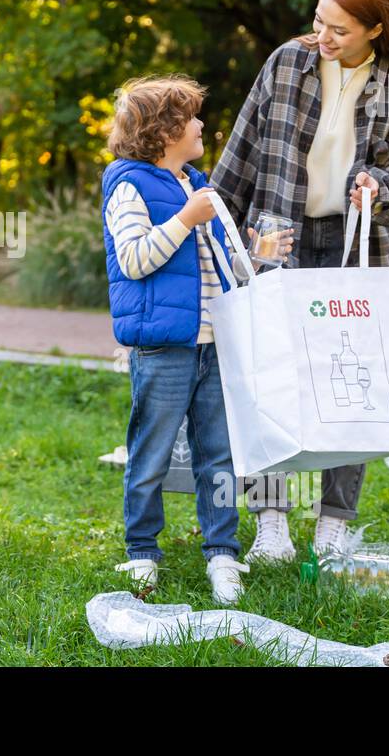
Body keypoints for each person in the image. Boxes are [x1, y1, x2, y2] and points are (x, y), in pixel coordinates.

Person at [209, 0, 389, 561]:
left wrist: (378, 187)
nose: (324, 37)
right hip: (276, 236)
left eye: (339, 29)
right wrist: (212, 227)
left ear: (374, 29)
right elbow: (242, 149)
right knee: (270, 371)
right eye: (319, 21)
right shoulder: (287, 63)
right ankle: (271, 523)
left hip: (355, 247)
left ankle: (334, 523)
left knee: (351, 380)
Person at [102, 74, 292, 604]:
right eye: (191, 118)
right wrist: (186, 219)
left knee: (219, 455)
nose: (203, 124)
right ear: (164, 132)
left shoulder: (194, 182)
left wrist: (259, 255)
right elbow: (136, 260)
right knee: (152, 453)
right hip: (164, 347)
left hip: (213, 343)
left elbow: (219, 267)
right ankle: (142, 553)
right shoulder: (128, 186)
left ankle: (223, 554)